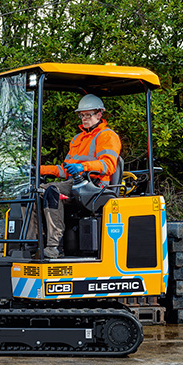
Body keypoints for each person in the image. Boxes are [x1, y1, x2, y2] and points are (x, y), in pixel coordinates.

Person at [37, 94, 122, 258]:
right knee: (36, 192)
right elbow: (65, 170)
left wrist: (83, 166)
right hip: (75, 183)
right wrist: (39, 170)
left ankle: (55, 246)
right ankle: (34, 242)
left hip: (95, 187)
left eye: (87, 115)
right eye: (82, 115)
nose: (84, 118)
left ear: (99, 114)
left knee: (53, 191)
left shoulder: (107, 136)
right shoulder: (78, 138)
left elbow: (108, 165)